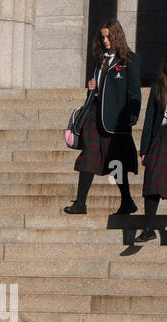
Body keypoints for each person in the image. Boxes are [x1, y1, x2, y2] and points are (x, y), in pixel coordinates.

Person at [65, 20, 141, 216]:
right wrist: (91, 87)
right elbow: (99, 85)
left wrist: (134, 112)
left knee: (116, 161)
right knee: (89, 154)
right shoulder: (100, 59)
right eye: (103, 37)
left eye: (108, 36)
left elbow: (134, 92)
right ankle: (81, 202)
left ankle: (127, 201)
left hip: (115, 120)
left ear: (117, 35)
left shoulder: (129, 60)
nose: (105, 41)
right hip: (93, 114)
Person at [135, 60, 167, 244]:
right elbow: (149, 120)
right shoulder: (158, 87)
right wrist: (144, 149)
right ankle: (148, 229)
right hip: (159, 138)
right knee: (152, 184)